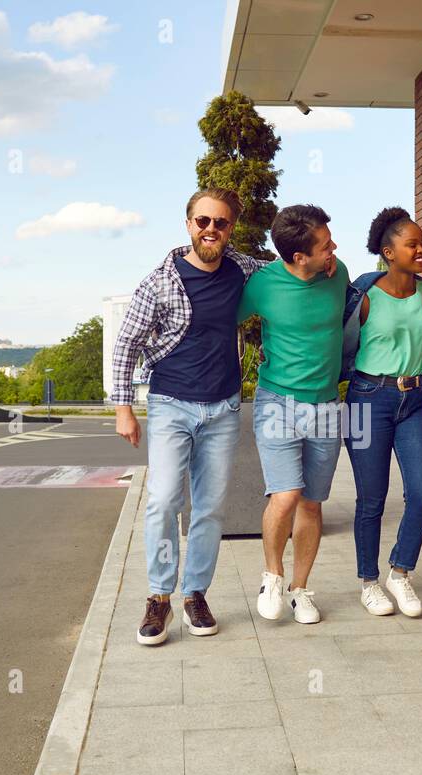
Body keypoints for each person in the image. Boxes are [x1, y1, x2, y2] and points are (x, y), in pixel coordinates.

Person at [111, 188, 267, 646]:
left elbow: (285, 272)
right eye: (202, 221)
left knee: (211, 508)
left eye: (220, 223)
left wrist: (324, 264)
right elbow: (126, 346)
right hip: (171, 405)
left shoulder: (242, 269)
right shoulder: (159, 282)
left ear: (230, 228)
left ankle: (195, 593)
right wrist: (124, 409)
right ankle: (159, 596)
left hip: (222, 408)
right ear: (188, 224)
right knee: (162, 501)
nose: (210, 230)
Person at [236, 205, 349, 625]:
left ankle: (301, 589)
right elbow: (222, 322)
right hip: (277, 401)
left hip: (325, 405)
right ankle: (273, 576)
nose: (333, 247)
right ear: (299, 257)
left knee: (312, 504)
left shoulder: (338, 274)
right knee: (284, 495)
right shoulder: (263, 285)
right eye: (324, 245)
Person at [342, 207, 422, 618]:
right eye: (412, 244)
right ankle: (369, 582)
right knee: (372, 498)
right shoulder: (364, 295)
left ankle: (400, 572)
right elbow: (340, 344)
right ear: (389, 251)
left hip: (416, 398)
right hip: (367, 399)